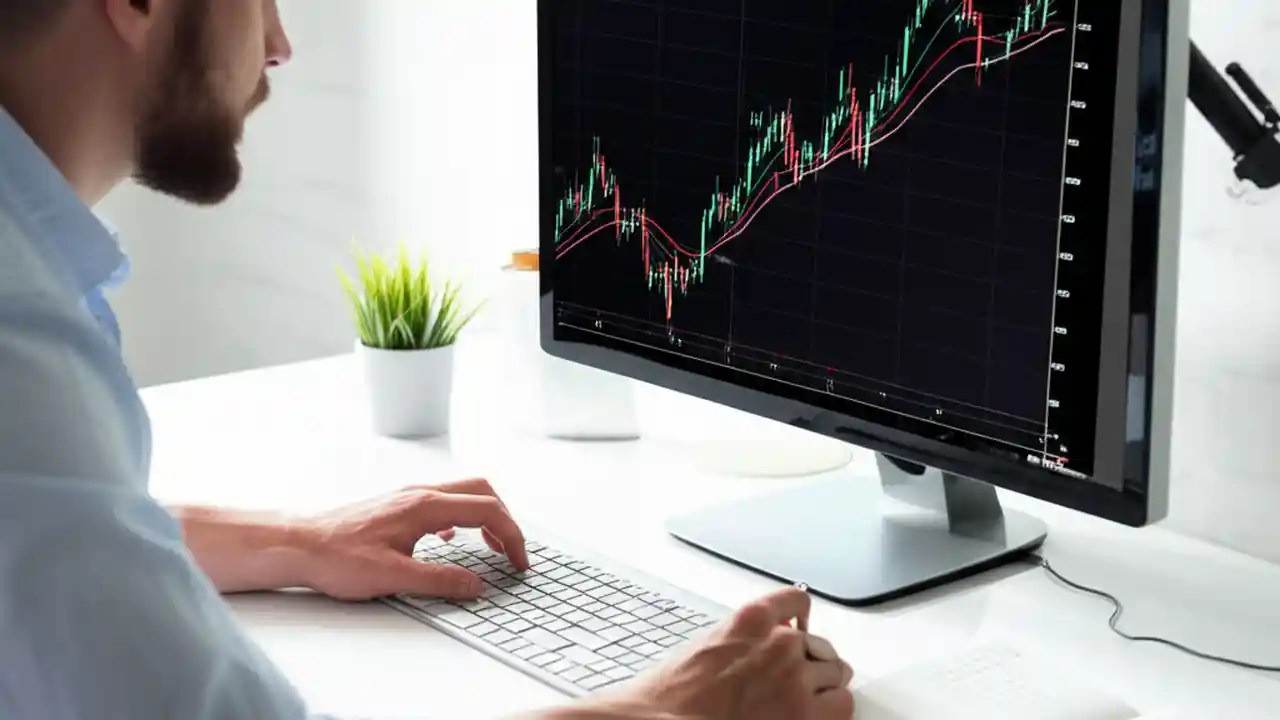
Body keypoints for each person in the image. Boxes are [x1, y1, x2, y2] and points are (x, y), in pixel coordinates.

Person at [0, 1, 857, 719]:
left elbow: (55, 524)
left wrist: (296, 541)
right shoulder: (19, 339)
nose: (277, 42)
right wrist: (669, 711)